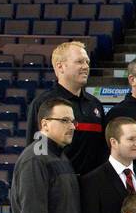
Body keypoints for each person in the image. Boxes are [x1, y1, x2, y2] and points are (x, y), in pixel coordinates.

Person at [27, 41, 106, 176]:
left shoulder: (95, 104)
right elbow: (36, 154)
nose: (86, 66)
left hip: (93, 189)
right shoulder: (42, 103)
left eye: (87, 62)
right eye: (79, 62)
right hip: (59, 186)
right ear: (60, 67)